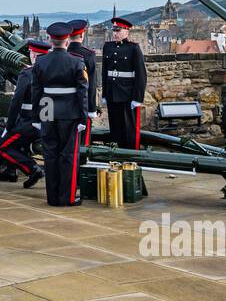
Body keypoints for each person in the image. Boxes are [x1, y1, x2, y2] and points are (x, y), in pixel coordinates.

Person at [32, 21, 90, 207]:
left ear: (50, 40)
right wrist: (83, 117)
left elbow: (36, 91)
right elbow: (83, 92)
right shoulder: (76, 61)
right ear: (67, 41)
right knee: (68, 155)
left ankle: (53, 197)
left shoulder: (41, 61)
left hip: (47, 108)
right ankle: (68, 197)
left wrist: (36, 117)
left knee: (50, 154)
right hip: (69, 111)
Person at [0, 39, 49, 189]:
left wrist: (10, 125)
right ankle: (14, 171)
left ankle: (32, 169)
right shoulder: (53, 72)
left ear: (33, 54)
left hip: (28, 122)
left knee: (2, 147)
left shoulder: (27, 74)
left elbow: (16, 101)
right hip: (48, 119)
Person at [101, 16, 147, 149]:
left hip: (127, 94)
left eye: (118, 31)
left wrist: (138, 98)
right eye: (114, 31)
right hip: (112, 93)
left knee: (129, 129)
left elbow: (141, 75)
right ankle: (116, 155)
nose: (115, 33)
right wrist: (104, 93)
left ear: (126, 32)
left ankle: (130, 156)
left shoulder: (134, 48)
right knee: (115, 127)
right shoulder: (107, 47)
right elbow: (105, 72)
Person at [67, 19, 99, 147]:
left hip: (63, 106)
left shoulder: (62, 54)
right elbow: (91, 85)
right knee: (82, 144)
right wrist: (91, 109)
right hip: (82, 105)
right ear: (82, 35)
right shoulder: (89, 54)